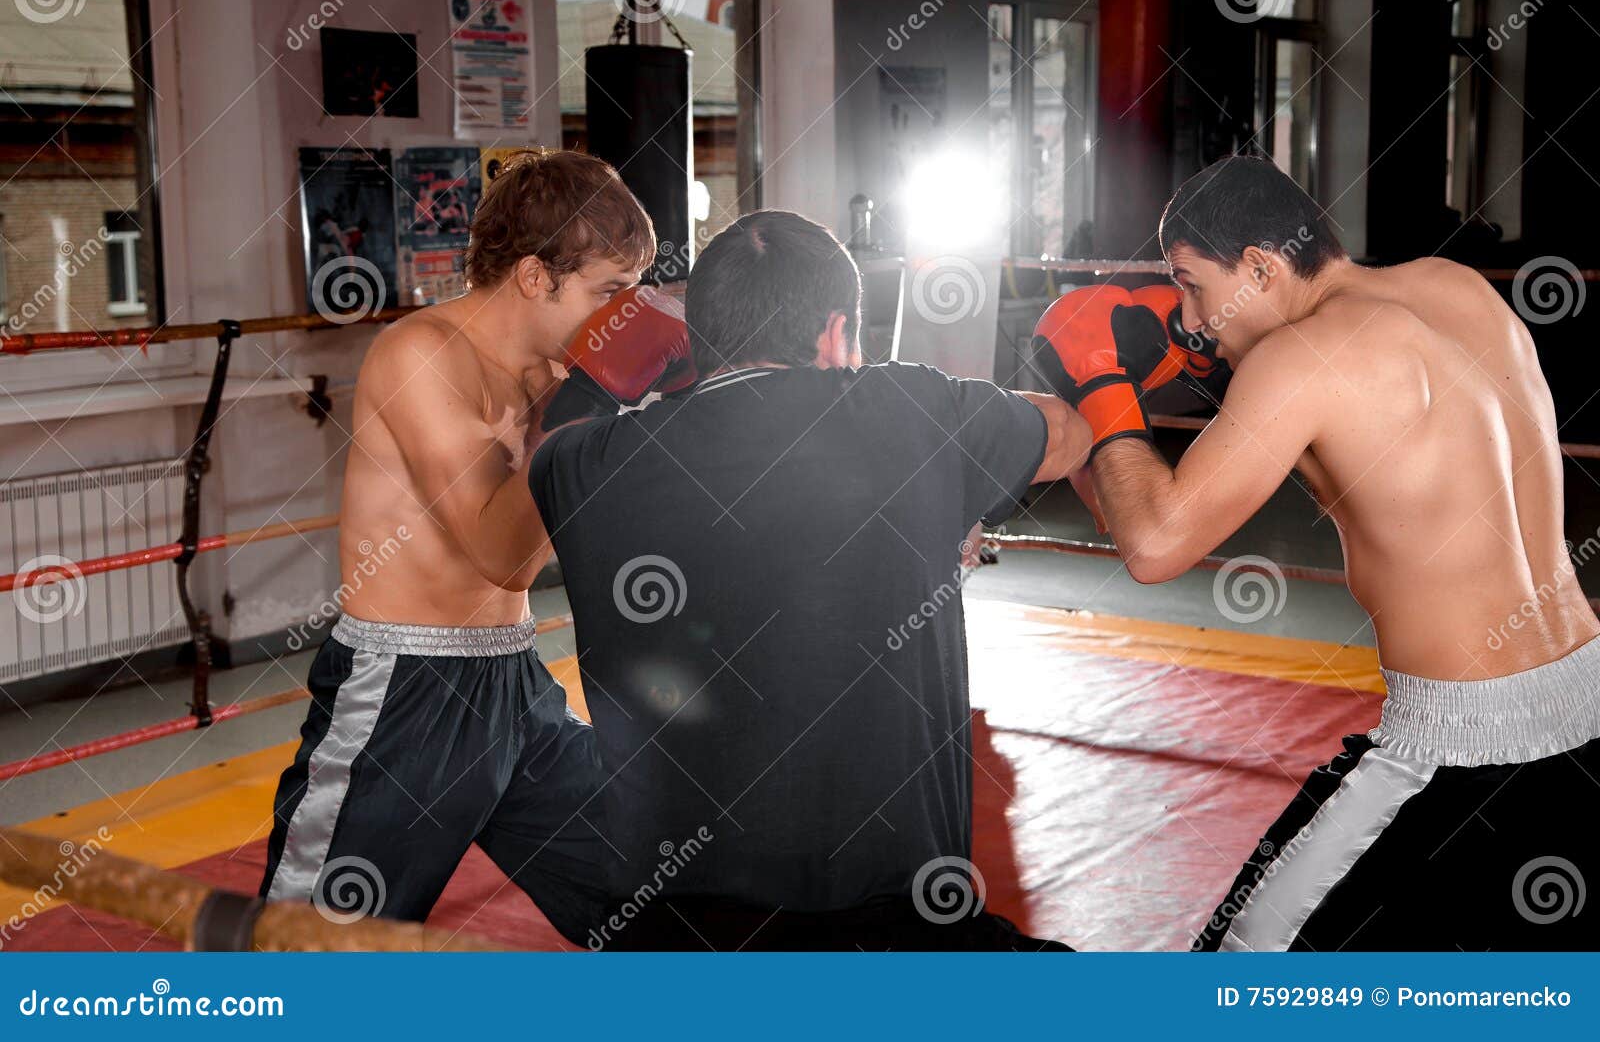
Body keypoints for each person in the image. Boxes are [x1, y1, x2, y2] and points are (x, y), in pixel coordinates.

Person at [1032, 155, 1600, 950]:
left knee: (1234, 977)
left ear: (1260, 266)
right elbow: (1142, 514)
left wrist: (1098, 378)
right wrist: (1120, 422)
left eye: (1193, 284)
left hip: (1457, 746)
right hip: (1585, 709)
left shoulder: (1298, 361)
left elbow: (1154, 546)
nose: (1191, 319)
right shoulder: (1453, 286)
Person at [528, 210, 1090, 950]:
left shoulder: (593, 464)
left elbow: (545, 444)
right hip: (890, 931)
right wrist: (951, 490)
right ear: (834, 333)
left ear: (700, 339)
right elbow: (1069, 432)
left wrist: (610, 363)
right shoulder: (912, 411)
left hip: (668, 937)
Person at [261, 150, 683, 944]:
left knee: (656, 891)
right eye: (608, 291)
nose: (625, 314)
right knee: (310, 951)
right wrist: (582, 415)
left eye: (635, 293)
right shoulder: (423, 356)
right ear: (533, 276)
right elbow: (501, 551)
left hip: (514, 684)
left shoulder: (556, 373)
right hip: (401, 697)